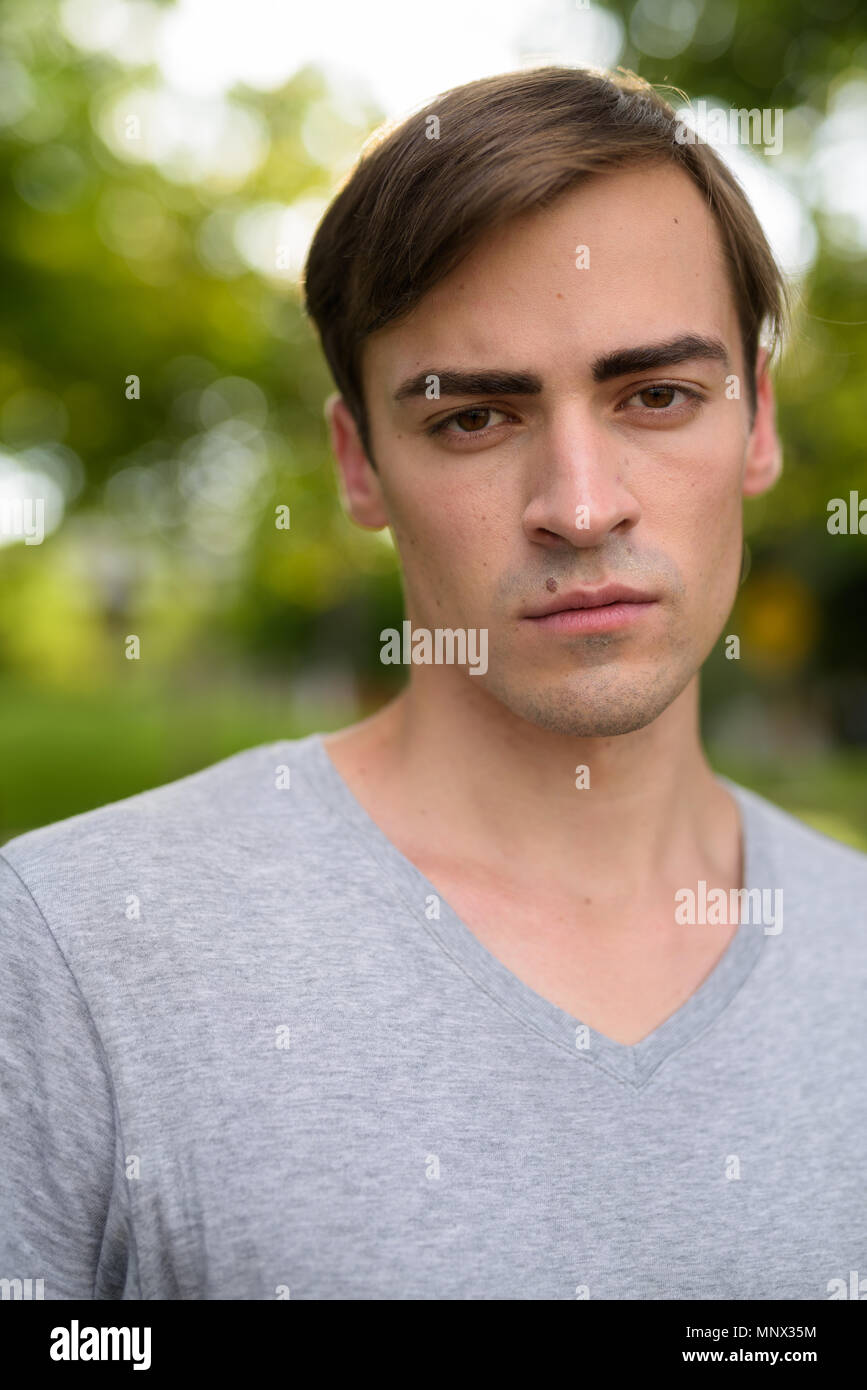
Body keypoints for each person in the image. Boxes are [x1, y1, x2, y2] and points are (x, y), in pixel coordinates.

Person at [2, 66, 865, 1302]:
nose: (579, 505)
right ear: (359, 464)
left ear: (759, 420)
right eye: (475, 418)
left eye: (657, 396)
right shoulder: (72, 951)